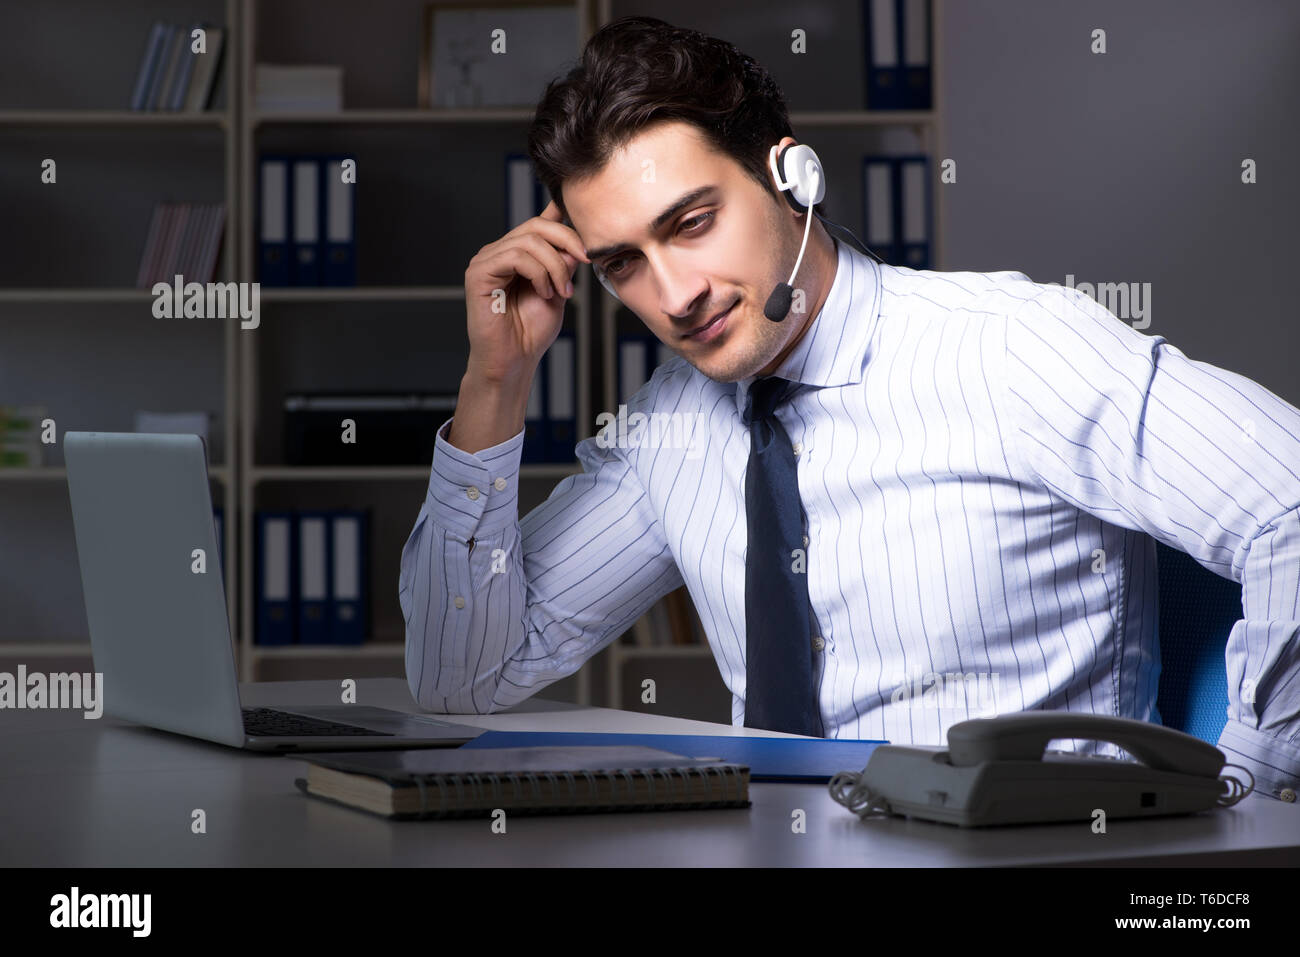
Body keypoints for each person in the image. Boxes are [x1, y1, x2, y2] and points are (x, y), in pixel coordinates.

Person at [399, 16, 1300, 800]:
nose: (673, 295)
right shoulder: (665, 430)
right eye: (622, 264)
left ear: (792, 173)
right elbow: (461, 679)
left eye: (692, 222)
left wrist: (1246, 788)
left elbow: (1290, 503)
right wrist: (496, 384)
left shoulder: (1015, 347)